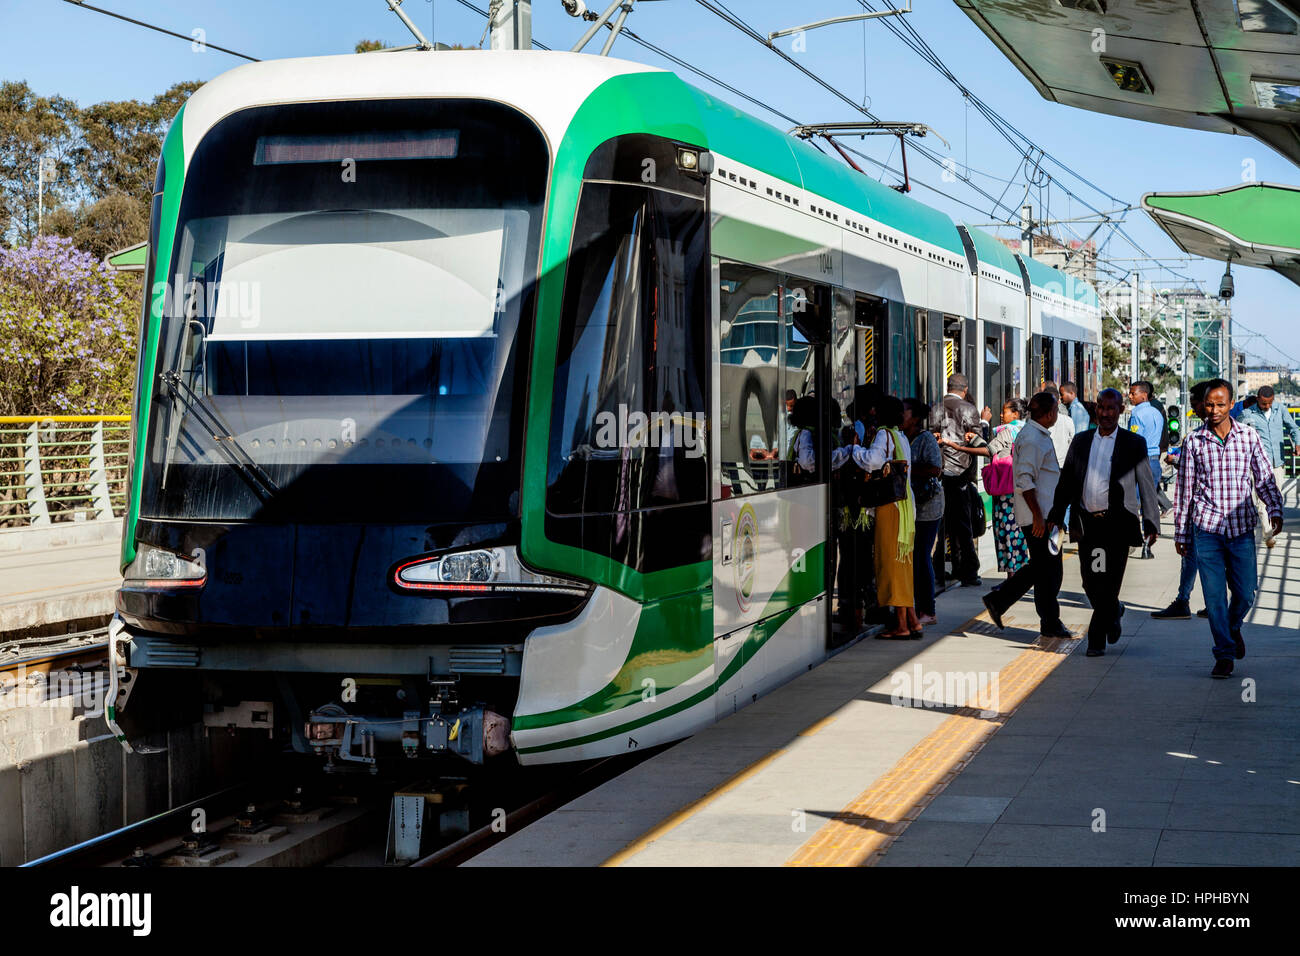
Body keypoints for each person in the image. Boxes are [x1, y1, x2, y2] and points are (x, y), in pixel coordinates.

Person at [1173, 379, 1284, 678]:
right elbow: (1184, 491)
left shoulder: (1248, 436)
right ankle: (1223, 653)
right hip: (1206, 530)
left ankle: (1233, 628)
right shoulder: (1194, 442)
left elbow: (1263, 477)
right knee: (1214, 598)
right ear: (1203, 405)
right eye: (1209, 404)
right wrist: (1182, 533)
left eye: (1221, 404)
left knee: (1247, 593)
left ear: (1232, 404)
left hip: (1240, 530)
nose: (1214, 410)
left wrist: (1274, 507)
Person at [1048, 388, 1160, 657]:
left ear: (1121, 410)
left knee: (1109, 582)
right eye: (1101, 407)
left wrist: (1151, 522)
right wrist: (1056, 514)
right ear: (1096, 409)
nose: (1106, 413)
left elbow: (1146, 484)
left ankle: (1095, 640)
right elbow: (1067, 482)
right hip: (1090, 526)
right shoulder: (1082, 441)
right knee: (1091, 581)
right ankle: (1114, 610)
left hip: (1118, 526)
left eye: (1112, 408)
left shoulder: (1133, 443)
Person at [981, 392, 1070, 638]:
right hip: (1039, 518)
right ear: (1050, 413)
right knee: (1046, 570)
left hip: (1047, 516)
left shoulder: (1036, 435)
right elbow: (1024, 481)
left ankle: (1044, 620)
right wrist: (1038, 516)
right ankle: (1005, 602)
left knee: (1046, 570)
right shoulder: (1032, 438)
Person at [942, 398, 1030, 575]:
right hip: (1021, 489)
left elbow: (989, 451)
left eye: (1005, 411)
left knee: (1006, 531)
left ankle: (1011, 579)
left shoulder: (1008, 431)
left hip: (1006, 492)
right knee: (1018, 533)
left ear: (1015, 414)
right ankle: (1017, 576)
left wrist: (958, 448)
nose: (1001, 414)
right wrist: (976, 439)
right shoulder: (1026, 430)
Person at [1152, 381, 1211, 620]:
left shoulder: (1238, 436)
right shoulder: (1195, 438)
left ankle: (1197, 601)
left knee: (1200, 559)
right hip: (1200, 512)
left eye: (1197, 404)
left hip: (1212, 514)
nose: (1195, 409)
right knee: (1195, 558)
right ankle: (1191, 600)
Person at [865, 396, 920, 639]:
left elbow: (873, 461)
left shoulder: (883, 435)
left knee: (890, 564)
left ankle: (901, 626)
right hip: (906, 506)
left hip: (890, 507)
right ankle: (912, 619)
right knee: (904, 564)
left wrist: (854, 451)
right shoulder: (901, 437)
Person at [930, 373, 989, 587]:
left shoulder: (935, 408)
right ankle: (968, 571)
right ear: (964, 389)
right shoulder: (968, 409)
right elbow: (975, 441)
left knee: (941, 523)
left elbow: (932, 437)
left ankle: (937, 570)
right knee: (963, 525)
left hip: (939, 473)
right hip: (961, 474)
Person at [1239, 384, 1299, 548]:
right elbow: (1237, 434)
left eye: (1270, 403)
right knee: (1261, 500)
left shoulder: (1280, 410)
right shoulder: (1247, 414)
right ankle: (1267, 532)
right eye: (1264, 403)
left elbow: (1293, 428)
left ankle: (1272, 526)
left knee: (1276, 496)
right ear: (1257, 399)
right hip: (1257, 464)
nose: (1267, 406)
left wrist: (1297, 443)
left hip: (1277, 461)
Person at [903, 398, 943, 626]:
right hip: (911, 505)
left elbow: (935, 468)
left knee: (920, 556)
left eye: (905, 412)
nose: (901, 416)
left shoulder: (925, 439)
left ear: (915, 418)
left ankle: (928, 610)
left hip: (928, 507)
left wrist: (905, 468)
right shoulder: (900, 437)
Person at [1128, 380, 1165, 496]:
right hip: (1154, 461)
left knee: (1135, 502)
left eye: (1133, 394)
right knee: (1149, 503)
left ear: (1143, 396)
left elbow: (1134, 441)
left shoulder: (1137, 414)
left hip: (1141, 461)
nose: (1130, 396)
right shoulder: (1157, 413)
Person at [1042, 382, 1075, 467]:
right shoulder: (1068, 420)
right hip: (1063, 466)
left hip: (1045, 467)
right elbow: (1072, 444)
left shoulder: (1040, 421)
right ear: (1058, 402)